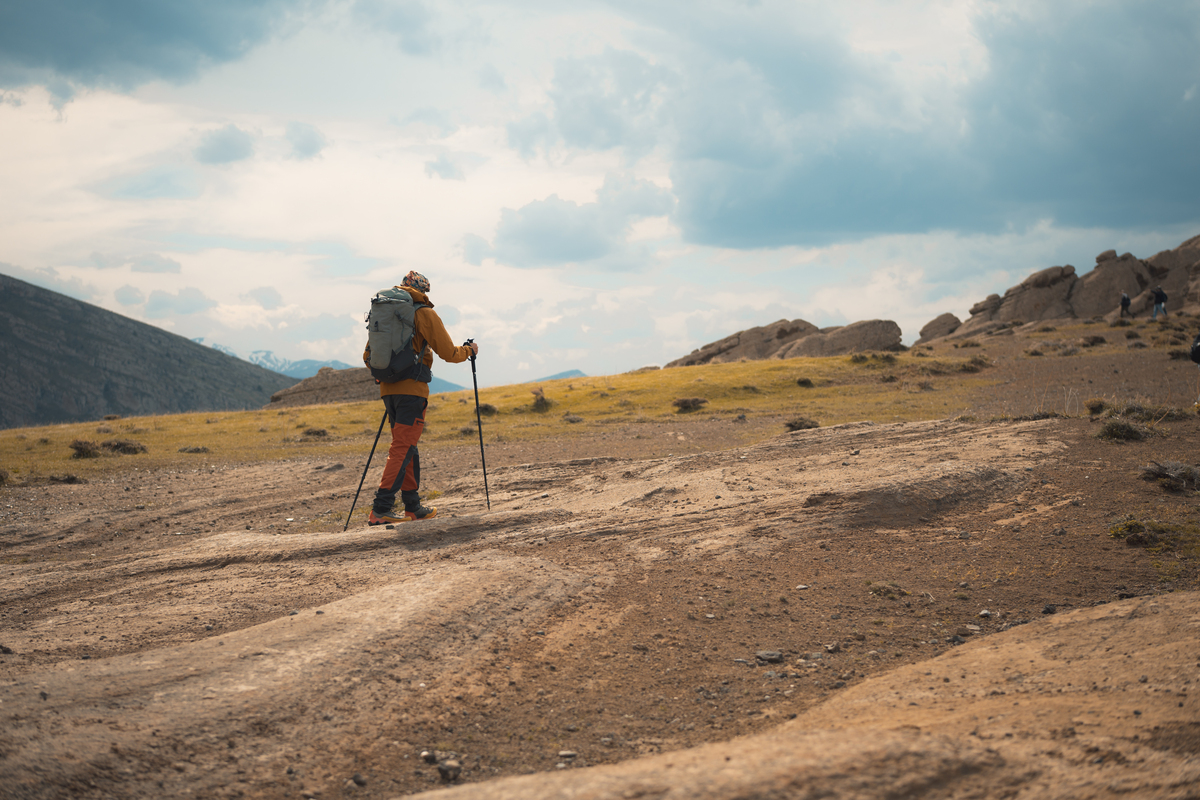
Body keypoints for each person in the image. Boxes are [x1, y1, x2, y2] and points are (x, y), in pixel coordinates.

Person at [363, 270, 478, 525]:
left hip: (388, 390)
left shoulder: (385, 312)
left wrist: (387, 375)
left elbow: (368, 355)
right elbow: (448, 352)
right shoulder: (424, 313)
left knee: (408, 447)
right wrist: (469, 350)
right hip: (413, 391)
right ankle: (381, 509)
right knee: (403, 448)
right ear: (422, 291)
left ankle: (412, 507)